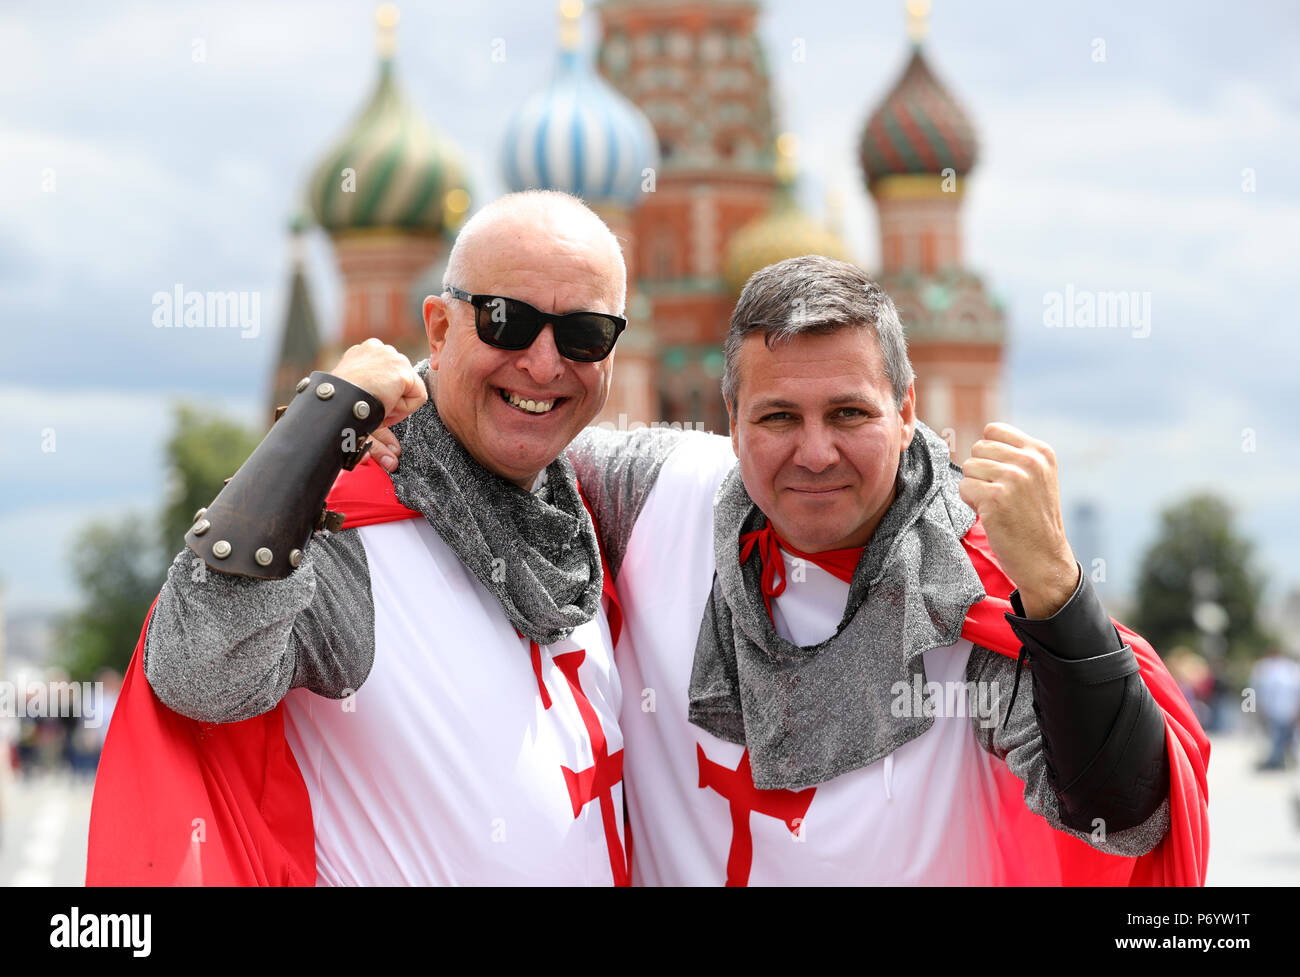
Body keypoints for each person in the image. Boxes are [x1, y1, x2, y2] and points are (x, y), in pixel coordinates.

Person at [375, 254, 1211, 885]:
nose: (816, 453)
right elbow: (509, 436)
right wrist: (367, 406)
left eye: (849, 412)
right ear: (732, 418)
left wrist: (1059, 593)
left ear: (907, 409)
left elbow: (1122, 814)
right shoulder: (659, 491)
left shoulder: (965, 579)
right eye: (779, 416)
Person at [87, 190, 634, 885]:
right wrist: (318, 424)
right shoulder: (347, 522)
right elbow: (199, 672)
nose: (545, 363)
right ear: (438, 329)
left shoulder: (591, 516)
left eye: (584, 333)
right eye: (507, 322)